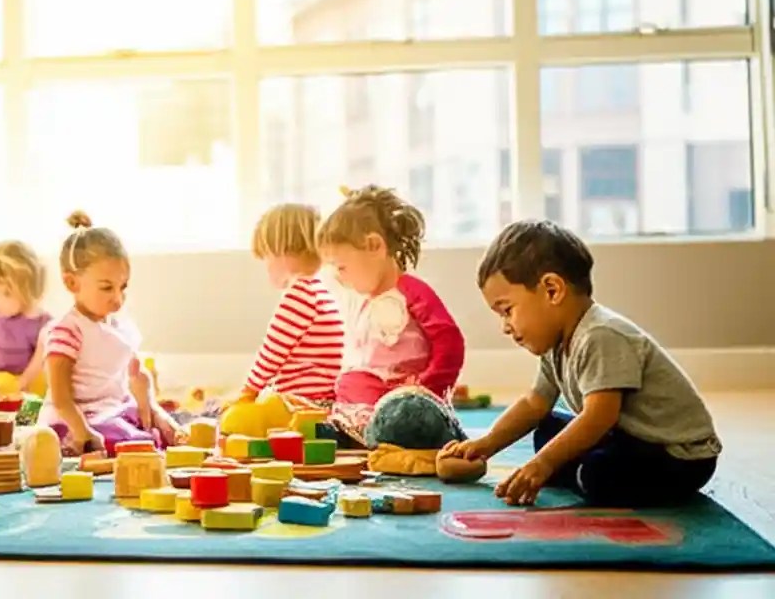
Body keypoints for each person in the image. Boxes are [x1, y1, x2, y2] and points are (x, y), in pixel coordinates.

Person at [444, 219, 721, 506]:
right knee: (548, 428)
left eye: (507, 310)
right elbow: (534, 404)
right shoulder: (556, 345)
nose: (505, 326)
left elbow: (599, 417)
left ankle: (579, 474)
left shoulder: (601, 335)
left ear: (552, 290)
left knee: (597, 474)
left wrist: (544, 464)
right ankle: (575, 471)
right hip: (629, 439)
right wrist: (486, 445)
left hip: (677, 456)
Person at [320, 185, 464, 441]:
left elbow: (449, 342)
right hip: (366, 398)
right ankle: (353, 429)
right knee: (349, 382)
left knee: (404, 416)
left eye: (342, 267)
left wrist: (426, 389)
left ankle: (373, 433)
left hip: (404, 399)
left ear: (375, 245)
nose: (339, 277)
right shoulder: (360, 300)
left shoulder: (414, 293)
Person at [37, 211, 181, 454]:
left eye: (123, 287)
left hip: (112, 410)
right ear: (72, 283)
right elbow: (61, 398)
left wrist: (154, 410)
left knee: (159, 432)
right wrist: (83, 432)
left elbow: (136, 373)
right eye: (107, 288)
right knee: (129, 441)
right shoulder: (67, 330)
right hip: (75, 420)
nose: (118, 298)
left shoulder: (118, 327)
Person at [236, 203, 344, 404]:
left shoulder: (299, 294)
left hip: (304, 403)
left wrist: (247, 392)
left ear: (283, 253)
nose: (266, 267)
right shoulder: (321, 291)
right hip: (324, 399)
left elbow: (272, 353)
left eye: (267, 257)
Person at [0, 240, 51, 395]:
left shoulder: (40, 323)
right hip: (1, 379)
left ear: (24, 290)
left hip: (28, 383)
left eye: (4, 297)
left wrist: (21, 382)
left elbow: (39, 359)